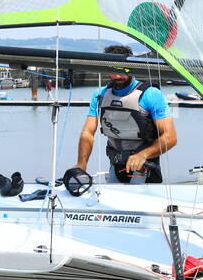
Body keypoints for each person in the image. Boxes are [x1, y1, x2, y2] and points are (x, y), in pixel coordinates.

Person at [74, 46, 176, 183]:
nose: (118, 76)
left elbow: (170, 137)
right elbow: (87, 133)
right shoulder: (100, 95)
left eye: (123, 70)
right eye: (113, 71)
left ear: (131, 67)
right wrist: (82, 164)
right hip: (116, 166)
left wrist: (142, 155)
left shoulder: (151, 95)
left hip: (144, 167)